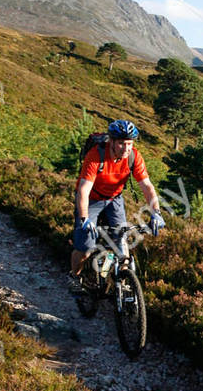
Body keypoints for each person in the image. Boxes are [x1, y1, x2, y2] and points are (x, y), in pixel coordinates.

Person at [69, 119, 165, 285]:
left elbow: (147, 186)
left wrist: (156, 213)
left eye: (129, 143)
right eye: (121, 143)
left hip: (114, 198)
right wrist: (85, 219)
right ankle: (74, 278)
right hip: (91, 199)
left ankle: (118, 282)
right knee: (85, 247)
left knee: (121, 242)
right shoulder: (96, 156)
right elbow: (83, 191)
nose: (126, 148)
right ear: (111, 141)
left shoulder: (133, 157)